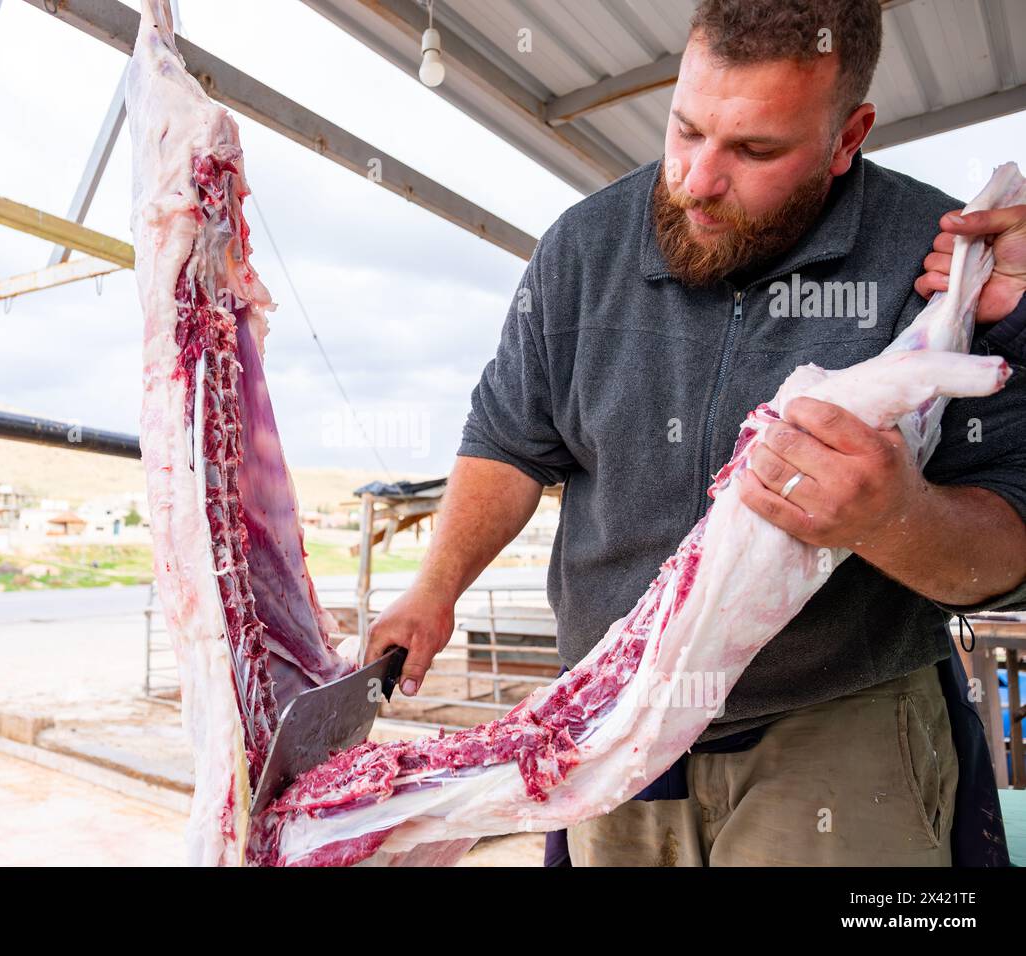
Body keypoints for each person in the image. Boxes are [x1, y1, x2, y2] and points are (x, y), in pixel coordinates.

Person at [365, 0, 1026, 866]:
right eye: (685, 130)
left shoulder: (941, 262)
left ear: (847, 137)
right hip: (609, 718)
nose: (698, 179)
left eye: (755, 150)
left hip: (833, 724)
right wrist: (435, 588)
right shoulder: (582, 248)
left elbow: (1007, 546)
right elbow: (508, 440)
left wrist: (892, 517)